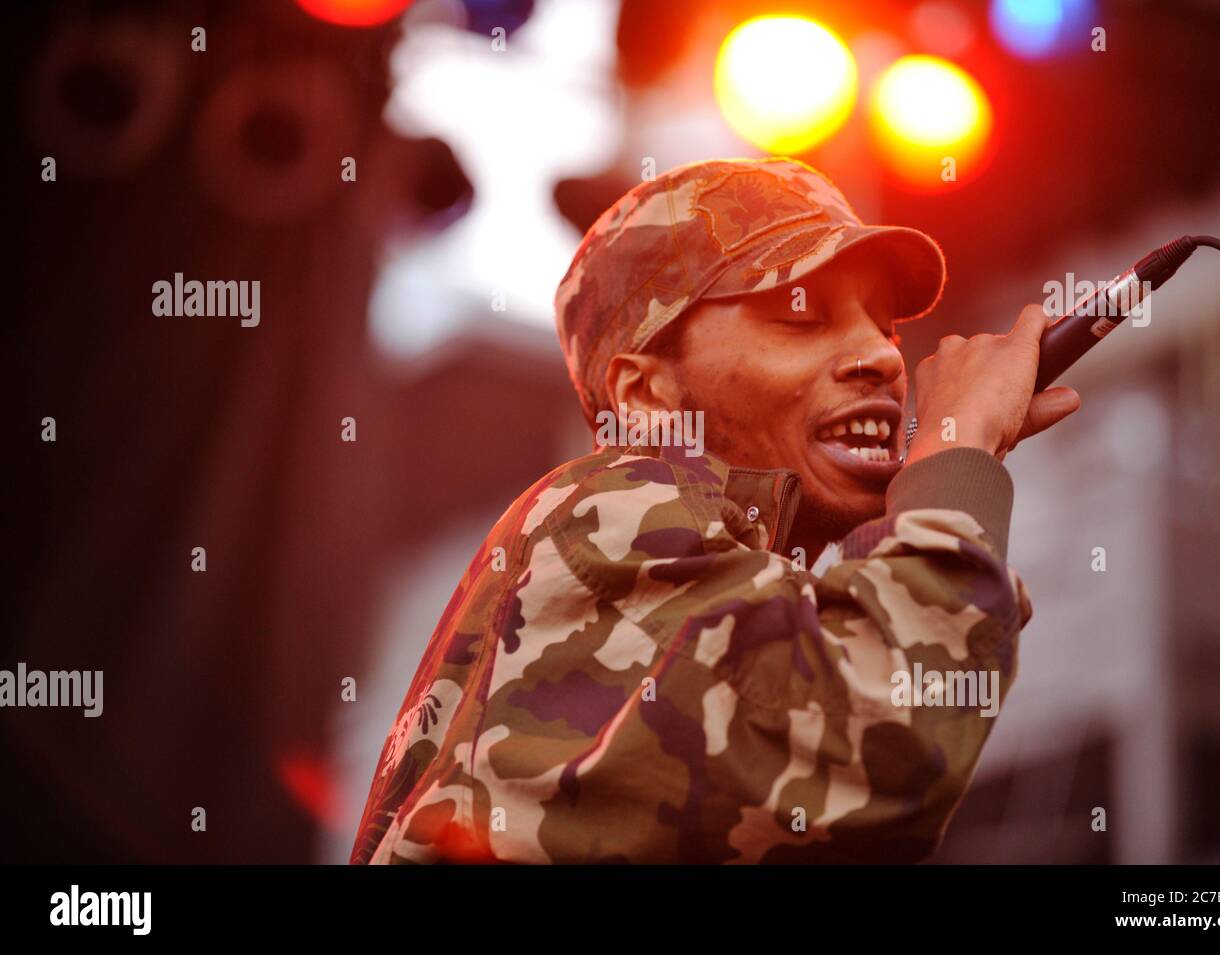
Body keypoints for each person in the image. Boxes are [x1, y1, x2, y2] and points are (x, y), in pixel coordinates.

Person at [350, 157, 1081, 863]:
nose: (884, 358)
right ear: (645, 396)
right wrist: (957, 460)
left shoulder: (743, 588)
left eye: (883, 325)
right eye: (802, 318)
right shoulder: (609, 505)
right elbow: (883, 740)